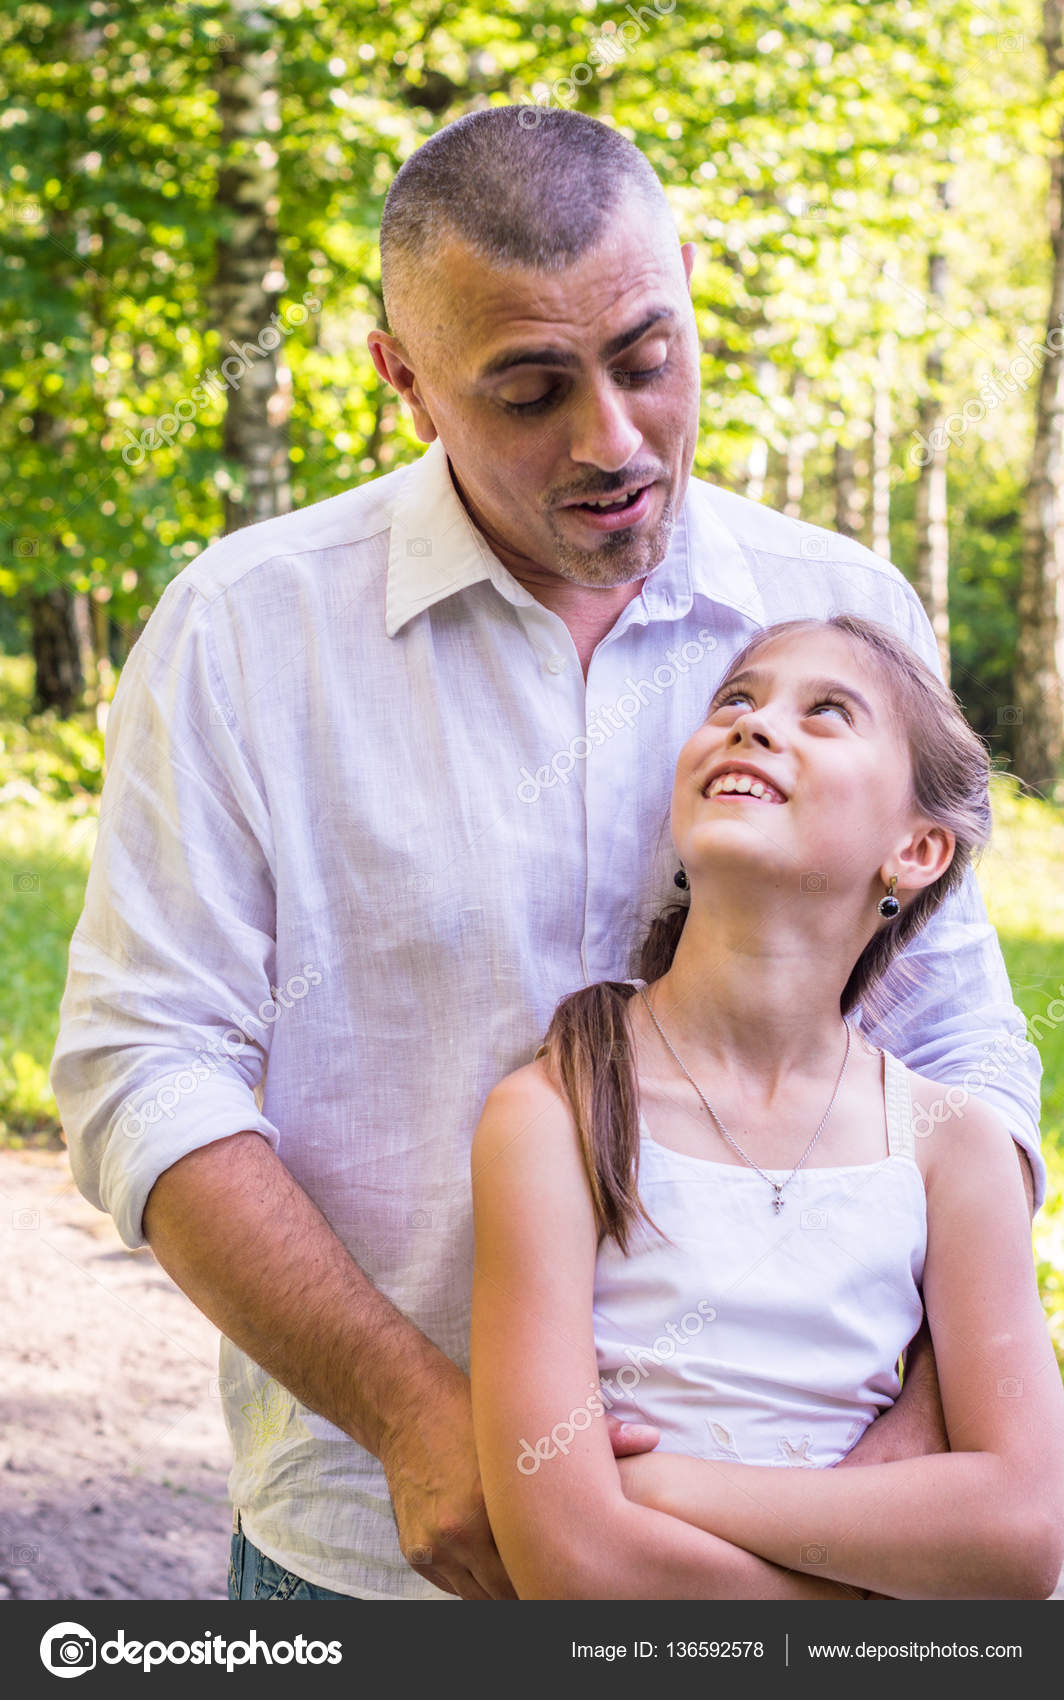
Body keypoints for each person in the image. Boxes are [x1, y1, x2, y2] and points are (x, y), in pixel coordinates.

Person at [50, 106, 1043, 1604]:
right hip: (376, 1555)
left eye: (647, 356)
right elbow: (145, 1065)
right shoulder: (247, 629)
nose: (614, 440)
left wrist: (926, 1425)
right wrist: (413, 1419)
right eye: (527, 390)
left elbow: (959, 1039)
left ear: (688, 284)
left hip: (832, 1549)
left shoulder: (837, 603)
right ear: (404, 380)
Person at [470, 613, 1064, 1600]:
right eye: (733, 700)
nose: (753, 724)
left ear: (915, 848)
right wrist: (882, 1592)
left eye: (825, 712)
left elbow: (1024, 1530)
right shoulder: (554, 1112)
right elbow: (570, 1564)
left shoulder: (947, 1146)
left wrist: (663, 1485)